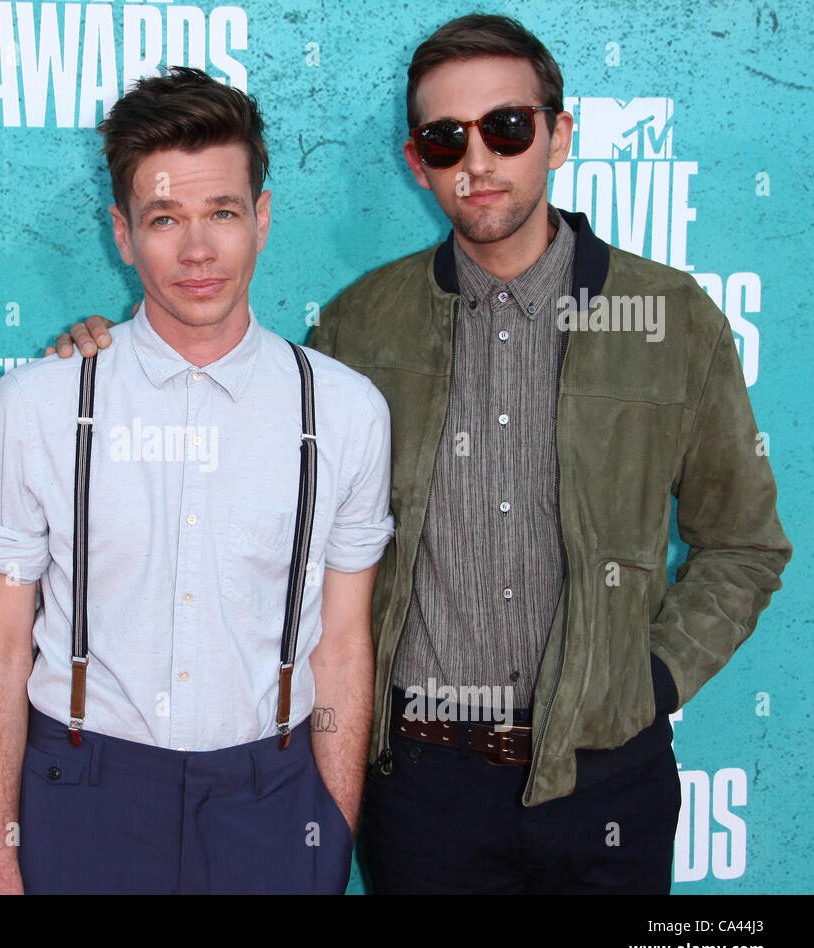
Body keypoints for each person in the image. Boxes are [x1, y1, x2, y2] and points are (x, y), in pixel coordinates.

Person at [55, 16, 790, 894]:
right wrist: (103, 358)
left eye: (507, 128)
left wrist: (652, 682)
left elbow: (743, 545)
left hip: (607, 777)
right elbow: (243, 430)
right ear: (417, 161)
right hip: (420, 786)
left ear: (559, 135)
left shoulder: (670, 317)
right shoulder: (362, 324)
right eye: (446, 140)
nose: (477, 161)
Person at [0, 67, 394, 894]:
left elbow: (341, 645)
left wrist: (329, 832)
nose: (198, 251)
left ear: (261, 218)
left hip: (273, 798)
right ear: (122, 233)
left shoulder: (345, 410)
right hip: (79, 795)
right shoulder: (38, 405)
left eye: (222, 213)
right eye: (165, 219)